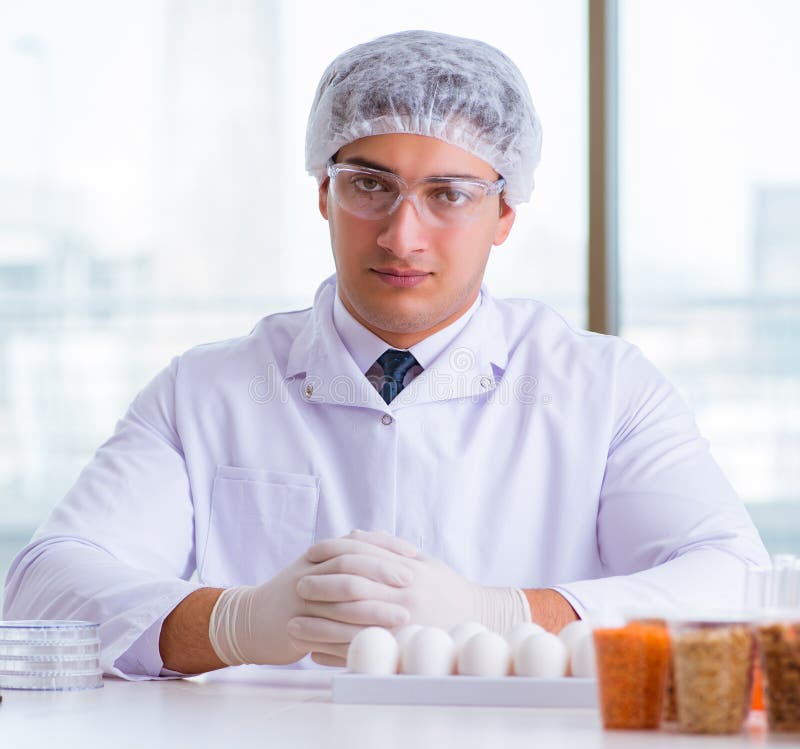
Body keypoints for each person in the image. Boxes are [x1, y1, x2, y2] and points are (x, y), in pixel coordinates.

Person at [3, 30, 769, 679]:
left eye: (449, 194)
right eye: (370, 185)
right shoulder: (205, 389)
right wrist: (232, 622)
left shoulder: (608, 389)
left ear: (505, 210)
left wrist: (504, 616)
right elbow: (43, 588)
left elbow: (734, 579)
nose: (403, 236)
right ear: (322, 194)